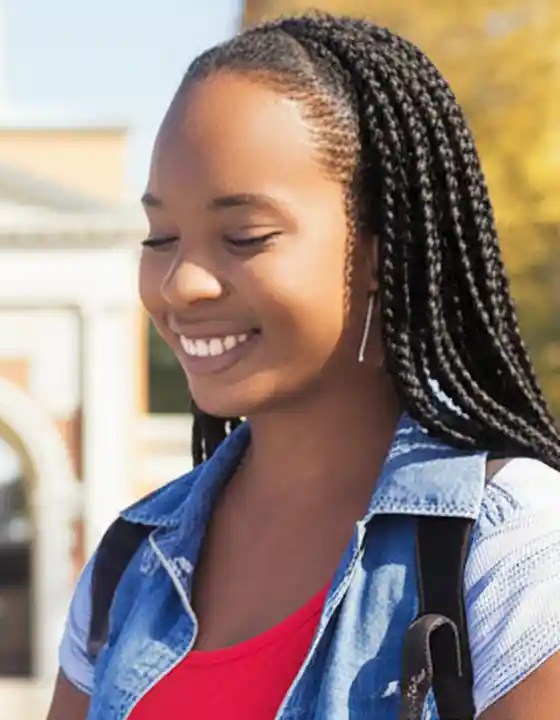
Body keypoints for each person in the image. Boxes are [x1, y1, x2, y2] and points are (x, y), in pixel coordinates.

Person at [46, 12, 560, 720]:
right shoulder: (130, 563)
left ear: (384, 248)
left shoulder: (516, 550)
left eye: (244, 236)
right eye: (161, 236)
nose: (180, 284)